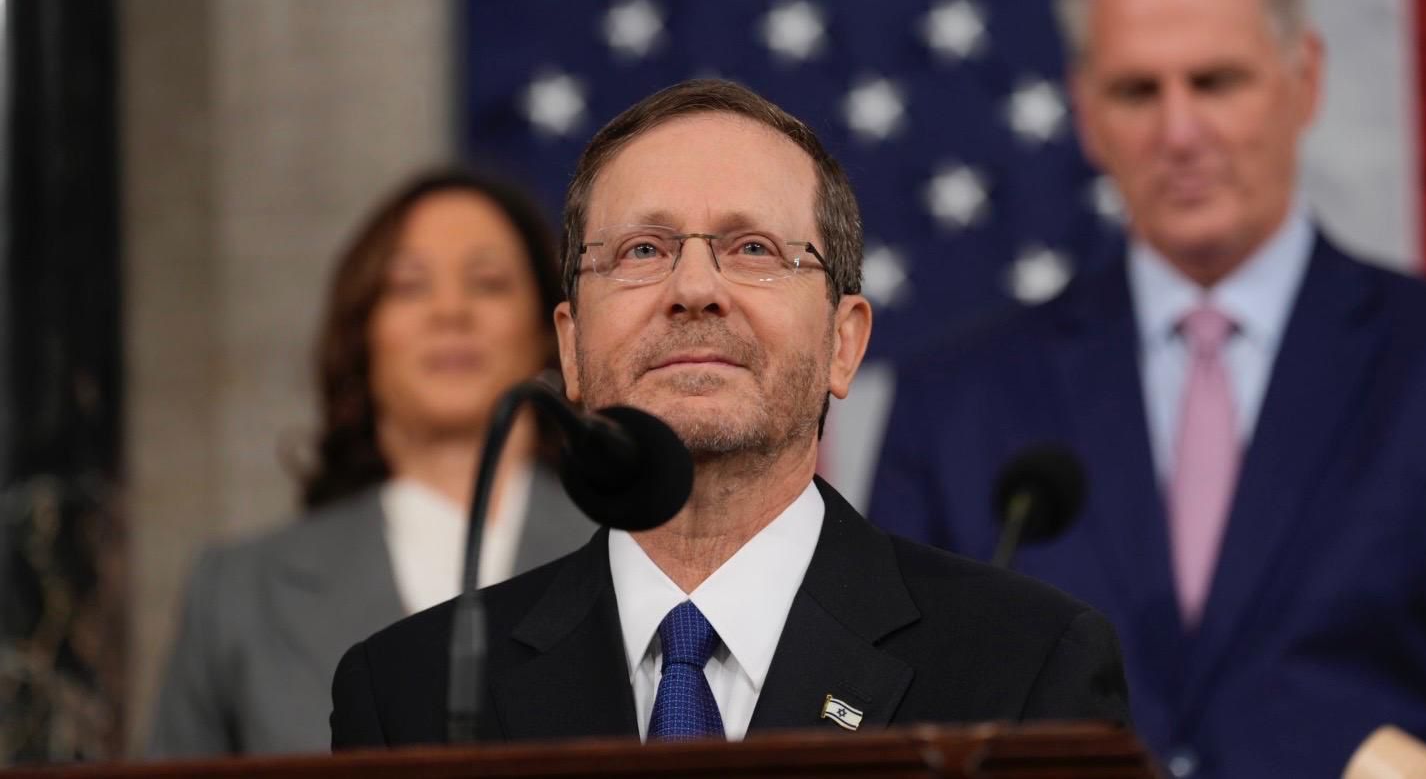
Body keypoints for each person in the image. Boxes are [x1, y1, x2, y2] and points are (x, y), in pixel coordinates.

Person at [868, 0, 1426, 778]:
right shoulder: (955, 405)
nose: (1179, 130)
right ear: (1085, 114)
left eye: (1215, 80)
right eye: (1137, 90)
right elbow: (879, 725)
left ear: (1302, 81)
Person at [330, 79, 1130, 747]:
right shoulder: (407, 694)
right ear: (568, 349)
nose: (693, 289)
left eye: (753, 250)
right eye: (643, 250)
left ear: (844, 343)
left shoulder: (1023, 670)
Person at [147, 170, 595, 757]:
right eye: (409, 285)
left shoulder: (633, 554)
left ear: (550, 330)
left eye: (488, 283)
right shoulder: (236, 594)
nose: (450, 310)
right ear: (361, 334)